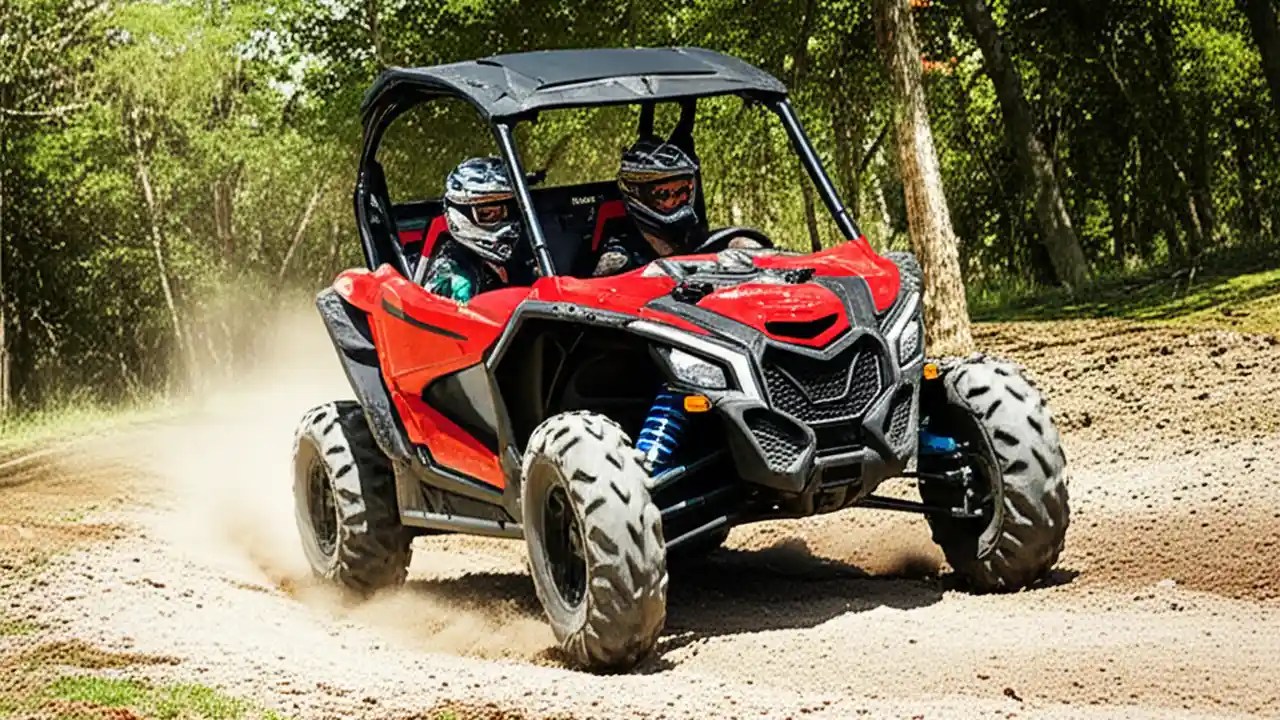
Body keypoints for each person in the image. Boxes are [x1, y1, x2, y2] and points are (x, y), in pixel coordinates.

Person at [593, 136, 761, 277]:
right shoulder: (621, 256)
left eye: (683, 191)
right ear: (637, 195)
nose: (678, 200)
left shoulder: (699, 240)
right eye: (664, 194)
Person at [421, 157, 527, 302]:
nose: (508, 223)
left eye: (513, 209)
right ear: (461, 215)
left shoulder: (518, 256)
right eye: (490, 213)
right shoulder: (456, 279)